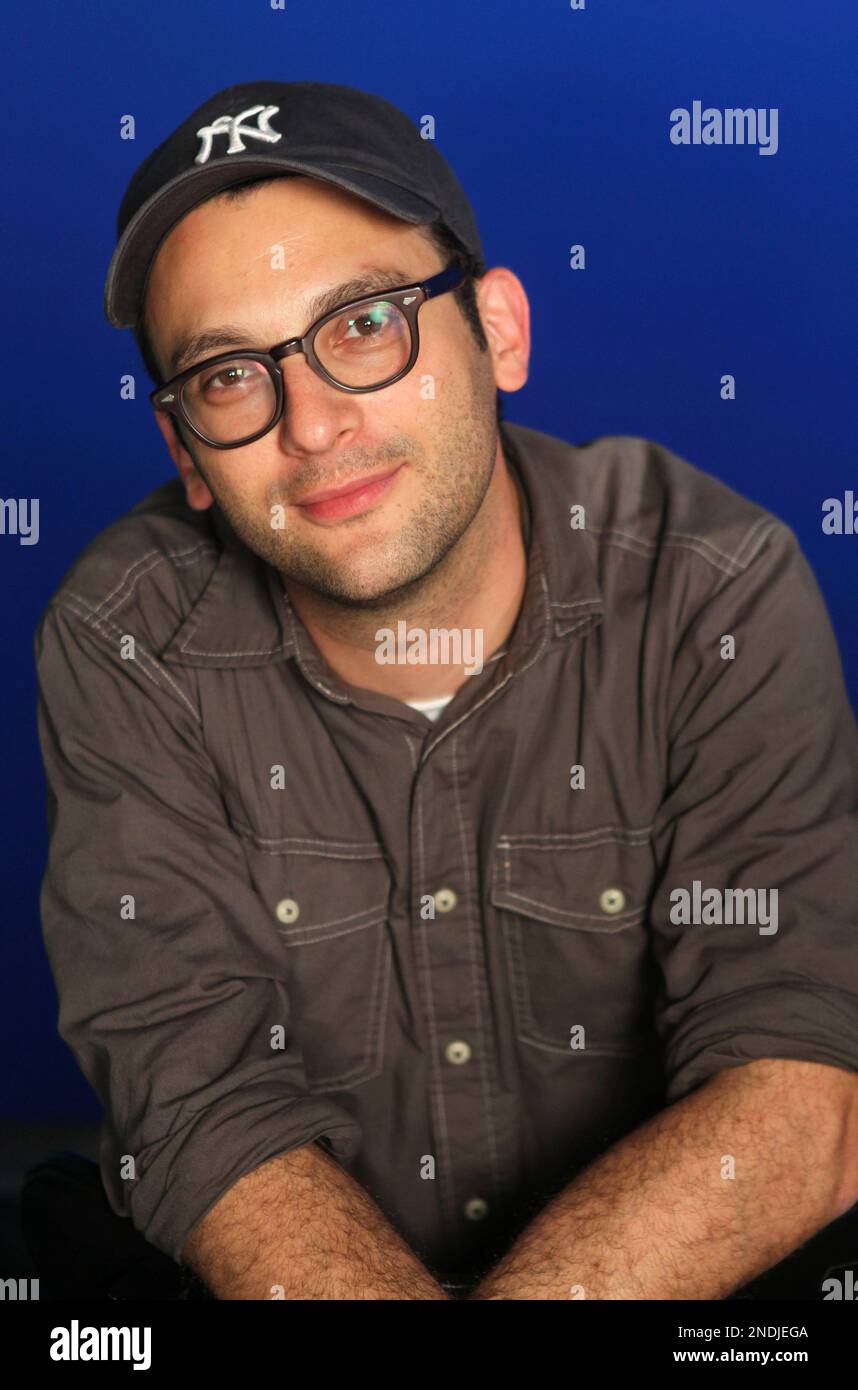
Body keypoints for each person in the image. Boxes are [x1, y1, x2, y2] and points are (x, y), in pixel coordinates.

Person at [34, 79, 858, 1301]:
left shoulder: (713, 589)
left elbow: (799, 1095)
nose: (310, 425)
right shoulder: (123, 641)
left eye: (365, 324)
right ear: (187, 456)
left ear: (501, 332)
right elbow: (203, 1107)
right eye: (228, 378)